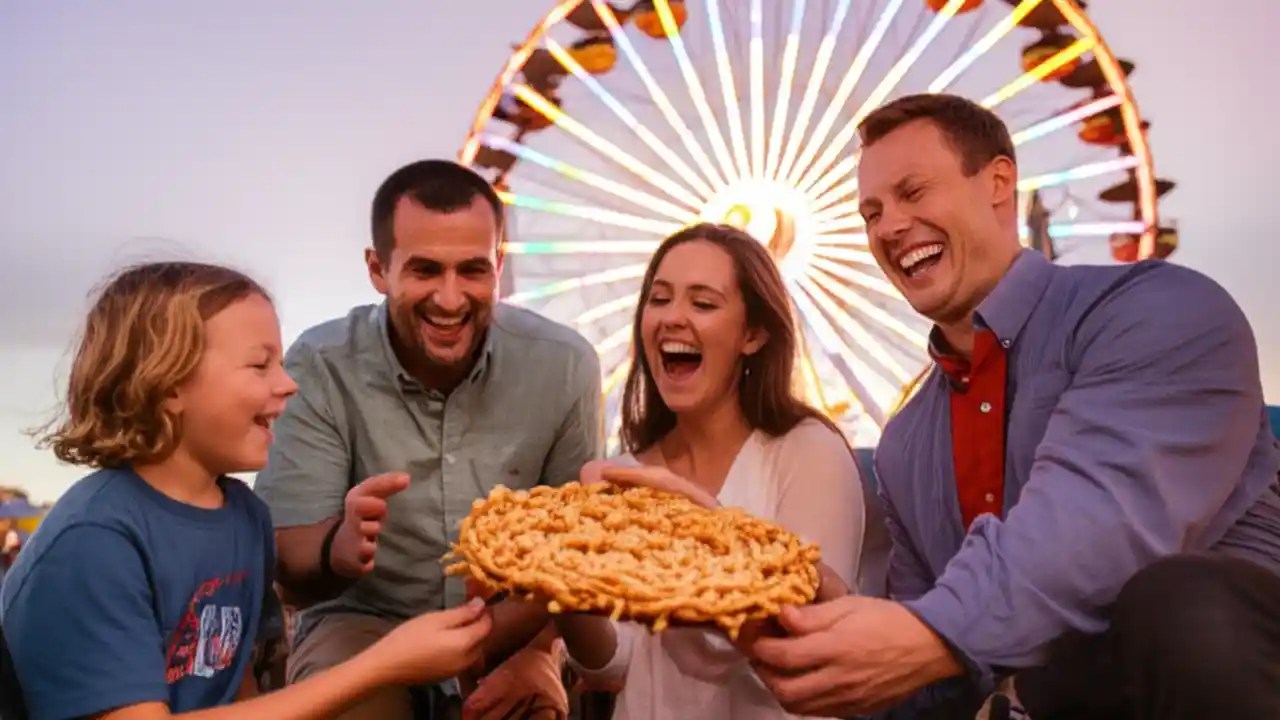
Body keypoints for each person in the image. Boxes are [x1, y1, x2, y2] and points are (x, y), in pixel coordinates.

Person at [737, 93, 1280, 719]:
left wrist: (925, 633)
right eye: (871, 213)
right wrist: (816, 634)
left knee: (1181, 605)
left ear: (999, 183)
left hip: (1207, 676)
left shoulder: (1163, 313)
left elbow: (1094, 523)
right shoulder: (906, 446)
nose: (887, 227)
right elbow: (933, 688)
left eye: (913, 193)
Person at [0, 262, 493, 720]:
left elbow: (237, 692)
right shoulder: (94, 541)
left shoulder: (246, 519)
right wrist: (383, 665)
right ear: (168, 385)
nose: (289, 385)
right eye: (261, 366)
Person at [253, 159, 602, 719]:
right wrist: (337, 550)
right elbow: (287, 563)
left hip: (514, 624)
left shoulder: (564, 368)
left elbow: (576, 555)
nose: (449, 298)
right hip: (364, 622)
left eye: (472, 271)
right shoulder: (322, 364)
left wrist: (536, 652)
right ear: (377, 269)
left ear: (499, 265)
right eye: (424, 271)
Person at [552, 223, 865, 720]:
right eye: (659, 299)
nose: (673, 318)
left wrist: (706, 525)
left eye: (703, 304)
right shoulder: (625, 474)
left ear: (754, 333)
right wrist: (565, 586)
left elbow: (813, 644)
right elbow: (615, 664)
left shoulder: (807, 452)